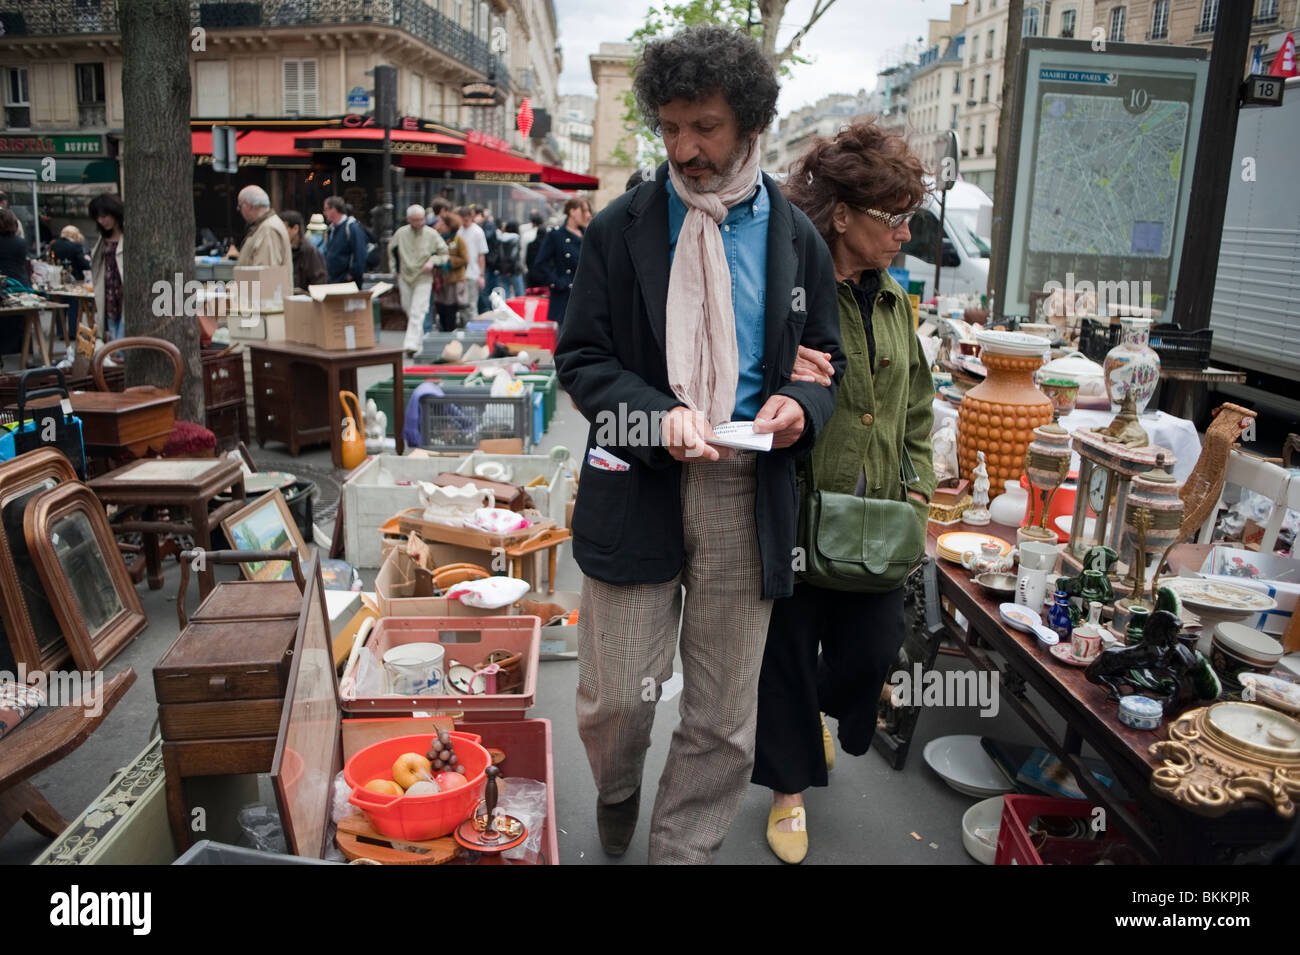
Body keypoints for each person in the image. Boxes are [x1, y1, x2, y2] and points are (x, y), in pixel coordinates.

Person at [553, 25, 844, 865]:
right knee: (615, 700)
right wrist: (655, 416)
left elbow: (826, 364)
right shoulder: (620, 230)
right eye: (671, 127)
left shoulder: (800, 241)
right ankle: (615, 788)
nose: (684, 148)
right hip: (638, 480)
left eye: (705, 127)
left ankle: (681, 848)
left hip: (747, 489)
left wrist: (798, 401)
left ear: (750, 122)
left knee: (720, 710)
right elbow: (581, 358)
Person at [752, 120, 936, 864]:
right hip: (797, 514)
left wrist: (918, 493)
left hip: (882, 522)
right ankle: (789, 790)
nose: (904, 232)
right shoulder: (787, 296)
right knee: (788, 655)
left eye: (907, 215)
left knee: (875, 648)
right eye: (890, 217)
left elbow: (918, 409)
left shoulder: (897, 304)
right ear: (839, 214)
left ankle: (816, 720)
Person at [388, 203, 449, 356]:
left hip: (423, 276)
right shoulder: (401, 233)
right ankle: (419, 343)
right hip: (406, 275)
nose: (419, 223)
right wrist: (395, 271)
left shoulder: (431, 234)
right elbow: (391, 251)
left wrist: (432, 262)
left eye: (421, 219)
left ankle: (410, 344)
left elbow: (444, 253)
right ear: (409, 219)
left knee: (418, 311)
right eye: (415, 220)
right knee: (409, 309)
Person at [532, 197, 590, 327]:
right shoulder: (556, 235)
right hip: (565, 297)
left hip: (587, 296)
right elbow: (540, 264)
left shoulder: (588, 235)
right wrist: (558, 282)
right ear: (572, 212)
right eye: (584, 211)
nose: (588, 215)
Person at [88, 192, 125, 340]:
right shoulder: (103, 238)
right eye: (98, 217)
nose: (101, 221)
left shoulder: (127, 234)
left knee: (123, 338)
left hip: (123, 291)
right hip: (109, 291)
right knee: (112, 337)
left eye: (104, 216)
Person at [228, 185, 292, 268]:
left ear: (249, 206)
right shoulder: (266, 226)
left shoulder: (268, 229)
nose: (240, 211)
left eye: (240, 206)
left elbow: (266, 273)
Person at [431, 209, 470, 333]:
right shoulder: (437, 239)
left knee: (450, 311)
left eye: (442, 223)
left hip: (453, 281)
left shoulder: (458, 240)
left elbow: (465, 259)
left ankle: (450, 336)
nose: (439, 226)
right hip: (440, 281)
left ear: (448, 226)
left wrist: (448, 261)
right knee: (440, 309)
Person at [322, 196, 367, 284]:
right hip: (333, 281)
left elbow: (360, 254)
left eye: (326, 209)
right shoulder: (331, 229)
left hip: (347, 282)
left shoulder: (352, 228)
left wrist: (350, 275)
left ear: (333, 210)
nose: (324, 212)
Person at [456, 205, 488, 322]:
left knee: (471, 304)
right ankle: (465, 326)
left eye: (467, 218)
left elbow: (481, 255)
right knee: (461, 304)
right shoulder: (458, 231)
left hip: (473, 273)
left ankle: (472, 328)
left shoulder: (478, 232)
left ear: (471, 217)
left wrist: (481, 275)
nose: (465, 221)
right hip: (460, 273)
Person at [281, 211, 327, 291]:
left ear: (295, 229)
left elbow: (319, 281)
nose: (281, 233)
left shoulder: (310, 251)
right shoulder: (283, 249)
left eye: (283, 228)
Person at [493, 221, 523, 298]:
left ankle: (505, 309)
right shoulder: (516, 239)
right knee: (519, 294)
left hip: (502, 270)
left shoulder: (500, 239)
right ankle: (518, 310)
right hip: (514, 270)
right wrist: (510, 269)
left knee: (505, 294)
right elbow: (514, 256)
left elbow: (499, 255)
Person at [518, 209, 544, 282]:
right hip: (544, 270)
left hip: (530, 268)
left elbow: (523, 252)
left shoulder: (526, 235)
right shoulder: (547, 233)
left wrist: (523, 267)